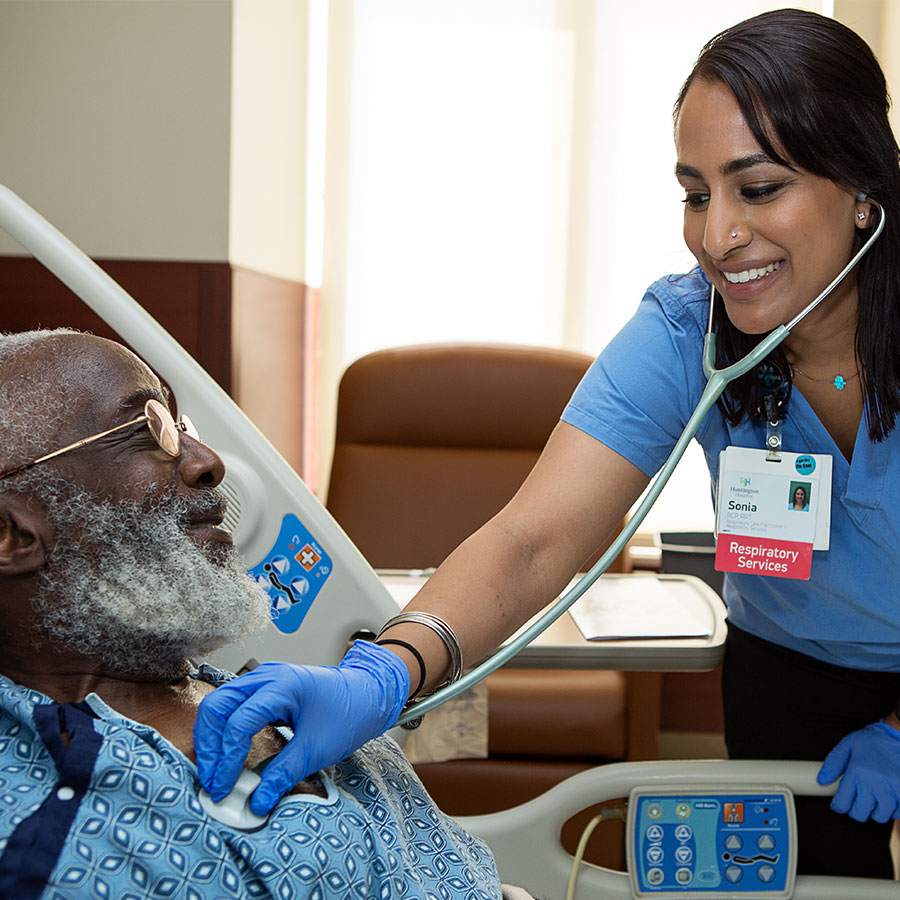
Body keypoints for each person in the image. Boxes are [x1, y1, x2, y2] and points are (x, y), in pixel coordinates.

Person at [196, 8, 900, 880]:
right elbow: (534, 541)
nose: (716, 236)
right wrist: (386, 669)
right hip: (786, 673)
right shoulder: (689, 330)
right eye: (694, 193)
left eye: (757, 189)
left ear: (863, 186)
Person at [0, 329, 506, 900]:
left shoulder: (232, 686)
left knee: (466, 718)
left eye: (179, 425)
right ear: (11, 534)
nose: (208, 462)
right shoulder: (63, 835)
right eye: (147, 433)